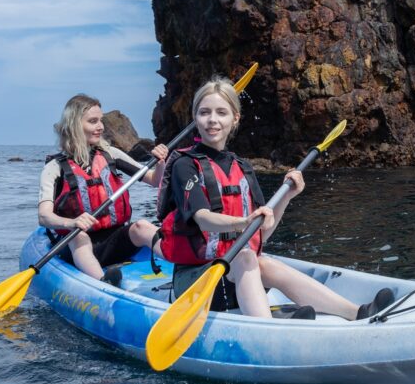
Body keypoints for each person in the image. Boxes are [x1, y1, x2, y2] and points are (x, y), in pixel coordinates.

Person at [158, 76, 394, 320]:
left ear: (235, 118)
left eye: (221, 112)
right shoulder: (184, 165)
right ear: (195, 118)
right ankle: (267, 331)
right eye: (204, 112)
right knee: (248, 257)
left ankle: (357, 313)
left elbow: (262, 233)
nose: (213, 120)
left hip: (234, 273)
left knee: (260, 260)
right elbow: (202, 219)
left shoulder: (243, 168)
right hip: (195, 282)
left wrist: (287, 196)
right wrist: (243, 222)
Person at [38, 93, 169, 286]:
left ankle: (186, 262)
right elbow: (44, 217)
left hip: (114, 240)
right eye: (93, 121)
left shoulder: (111, 155)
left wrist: (160, 163)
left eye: (101, 120)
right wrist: (72, 222)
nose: (100, 126)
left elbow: (155, 181)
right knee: (79, 237)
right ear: (75, 125)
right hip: (77, 245)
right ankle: (103, 282)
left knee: (142, 226)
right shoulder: (54, 168)